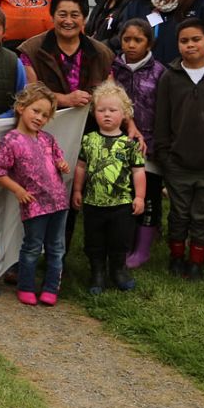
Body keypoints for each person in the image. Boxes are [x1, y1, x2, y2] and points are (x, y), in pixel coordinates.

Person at [153, 18, 204, 281]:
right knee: (179, 214)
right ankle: (176, 258)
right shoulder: (169, 77)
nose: (190, 45)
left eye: (195, 40)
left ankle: (196, 263)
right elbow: (162, 120)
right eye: (184, 41)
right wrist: (165, 155)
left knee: (203, 217)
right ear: (177, 45)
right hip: (177, 163)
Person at [0, 82, 71, 306]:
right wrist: (17, 190)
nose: (39, 118)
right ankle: (26, 286)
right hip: (34, 204)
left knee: (56, 248)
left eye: (45, 115)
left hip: (59, 202)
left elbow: (58, 158)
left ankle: (51, 288)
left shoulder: (48, 139)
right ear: (21, 107)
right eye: (36, 111)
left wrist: (62, 164)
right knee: (32, 246)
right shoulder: (11, 140)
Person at [73, 82, 146, 294]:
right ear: (93, 113)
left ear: (124, 114)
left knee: (120, 239)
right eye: (101, 110)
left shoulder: (130, 144)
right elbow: (81, 166)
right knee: (93, 241)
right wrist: (77, 190)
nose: (107, 115)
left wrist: (140, 197)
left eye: (112, 110)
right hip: (93, 203)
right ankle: (97, 273)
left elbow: (138, 171)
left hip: (121, 204)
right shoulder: (88, 140)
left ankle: (118, 270)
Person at [111, 19, 167, 268]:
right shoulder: (113, 68)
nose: (131, 45)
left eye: (138, 40)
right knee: (123, 194)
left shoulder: (160, 72)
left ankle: (143, 249)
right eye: (127, 39)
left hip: (149, 143)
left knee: (149, 194)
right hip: (116, 141)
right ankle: (122, 243)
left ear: (149, 43)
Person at [19, 0, 115, 111]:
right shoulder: (31, 50)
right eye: (62, 15)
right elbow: (29, 94)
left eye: (75, 15)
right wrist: (65, 99)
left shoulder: (103, 53)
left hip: (91, 124)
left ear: (84, 19)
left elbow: (111, 95)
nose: (68, 21)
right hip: (45, 121)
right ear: (52, 16)